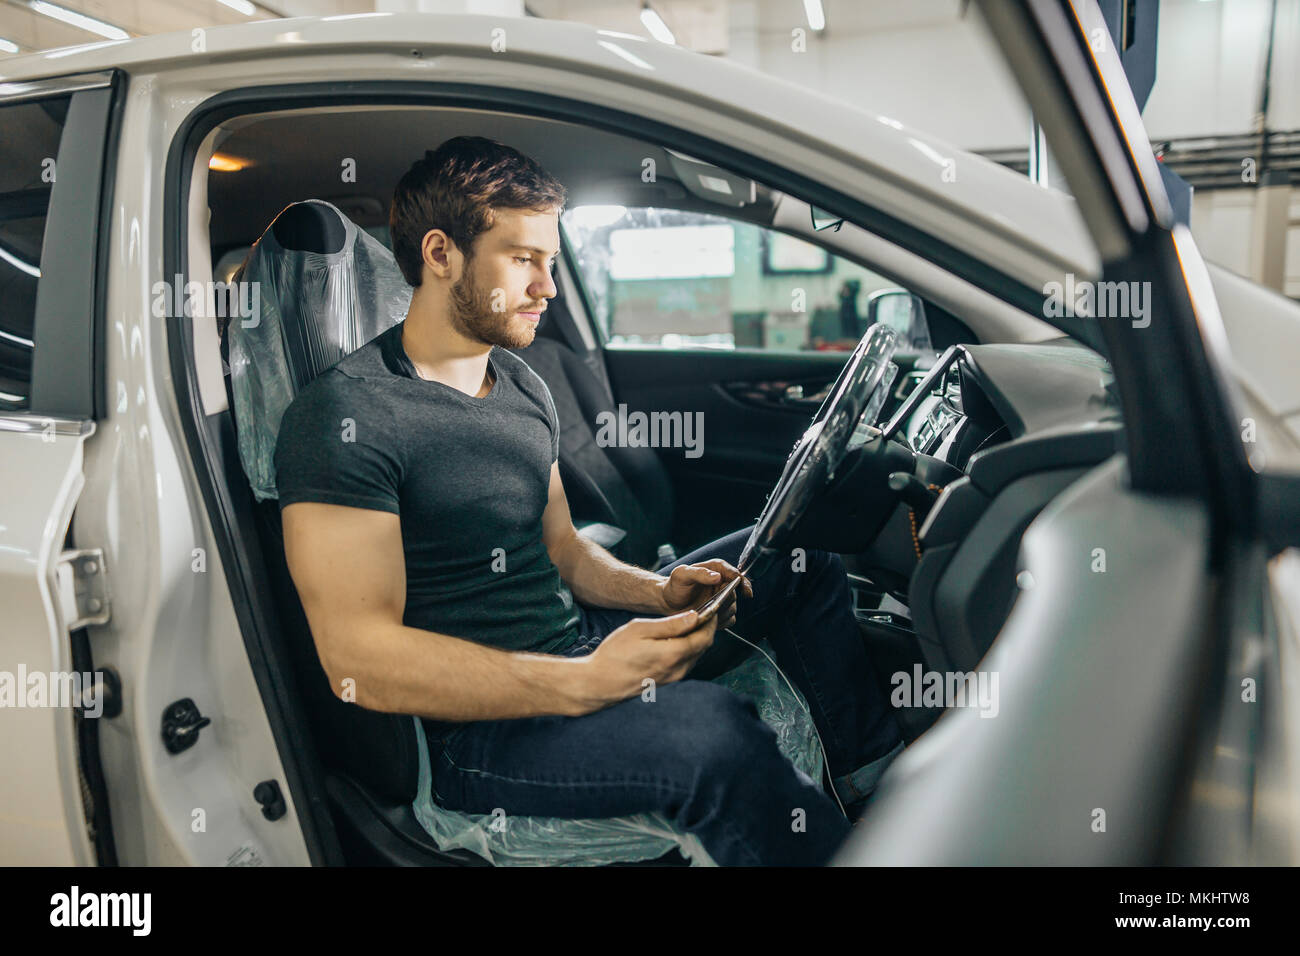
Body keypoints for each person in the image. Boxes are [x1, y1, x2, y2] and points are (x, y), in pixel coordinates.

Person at [275, 136, 903, 866]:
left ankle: (875, 797)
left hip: (574, 640)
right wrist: (584, 683)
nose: (547, 286)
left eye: (550, 259)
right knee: (712, 736)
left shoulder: (520, 385)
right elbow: (359, 658)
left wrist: (659, 591)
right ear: (441, 254)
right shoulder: (344, 417)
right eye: (523, 259)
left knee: (803, 556)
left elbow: (565, 550)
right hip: (476, 733)